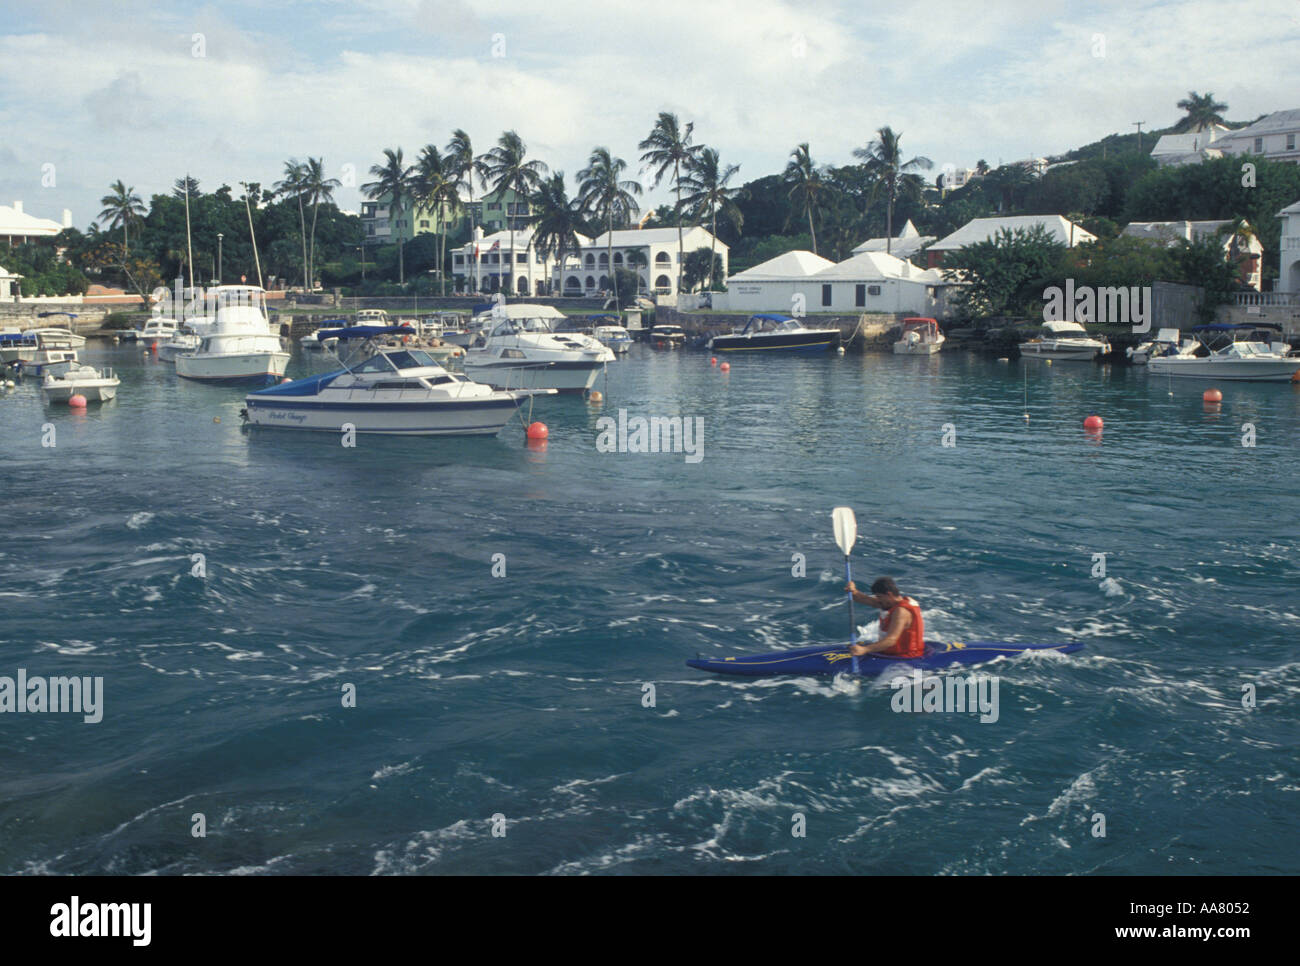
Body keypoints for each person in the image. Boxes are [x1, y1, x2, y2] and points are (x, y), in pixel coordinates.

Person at [843, 577, 925, 658]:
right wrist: (853, 591)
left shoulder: (901, 612)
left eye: (879, 596)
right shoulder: (889, 602)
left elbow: (891, 640)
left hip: (907, 657)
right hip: (890, 652)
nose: (877, 600)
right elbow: (865, 599)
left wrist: (864, 649)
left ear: (889, 594)